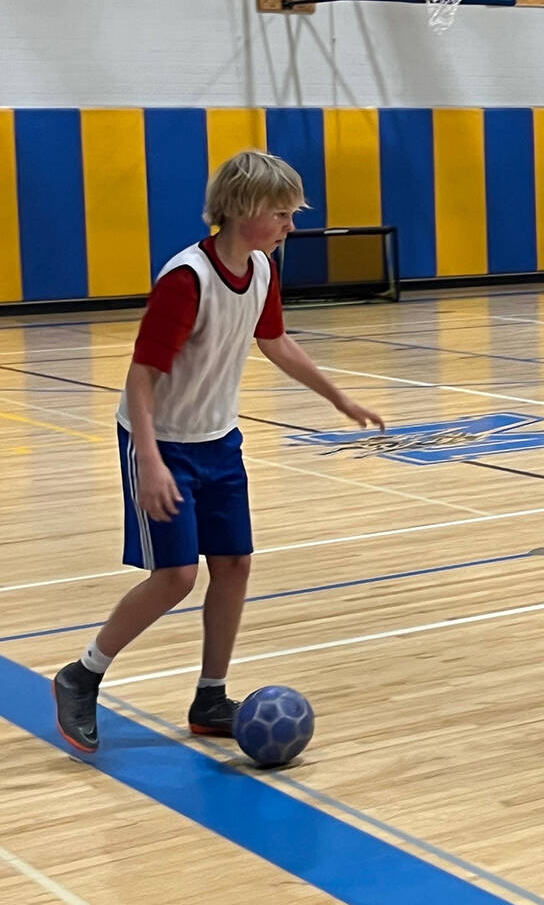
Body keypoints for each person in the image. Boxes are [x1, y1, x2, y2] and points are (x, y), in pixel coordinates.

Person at [53, 151, 384, 753]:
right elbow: (141, 376)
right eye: (281, 214)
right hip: (161, 440)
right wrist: (149, 460)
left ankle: (210, 698)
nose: (290, 226)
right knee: (177, 576)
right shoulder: (186, 280)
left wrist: (338, 397)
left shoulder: (262, 269)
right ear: (241, 209)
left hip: (218, 439)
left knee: (233, 565)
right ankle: (82, 674)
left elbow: (275, 341)